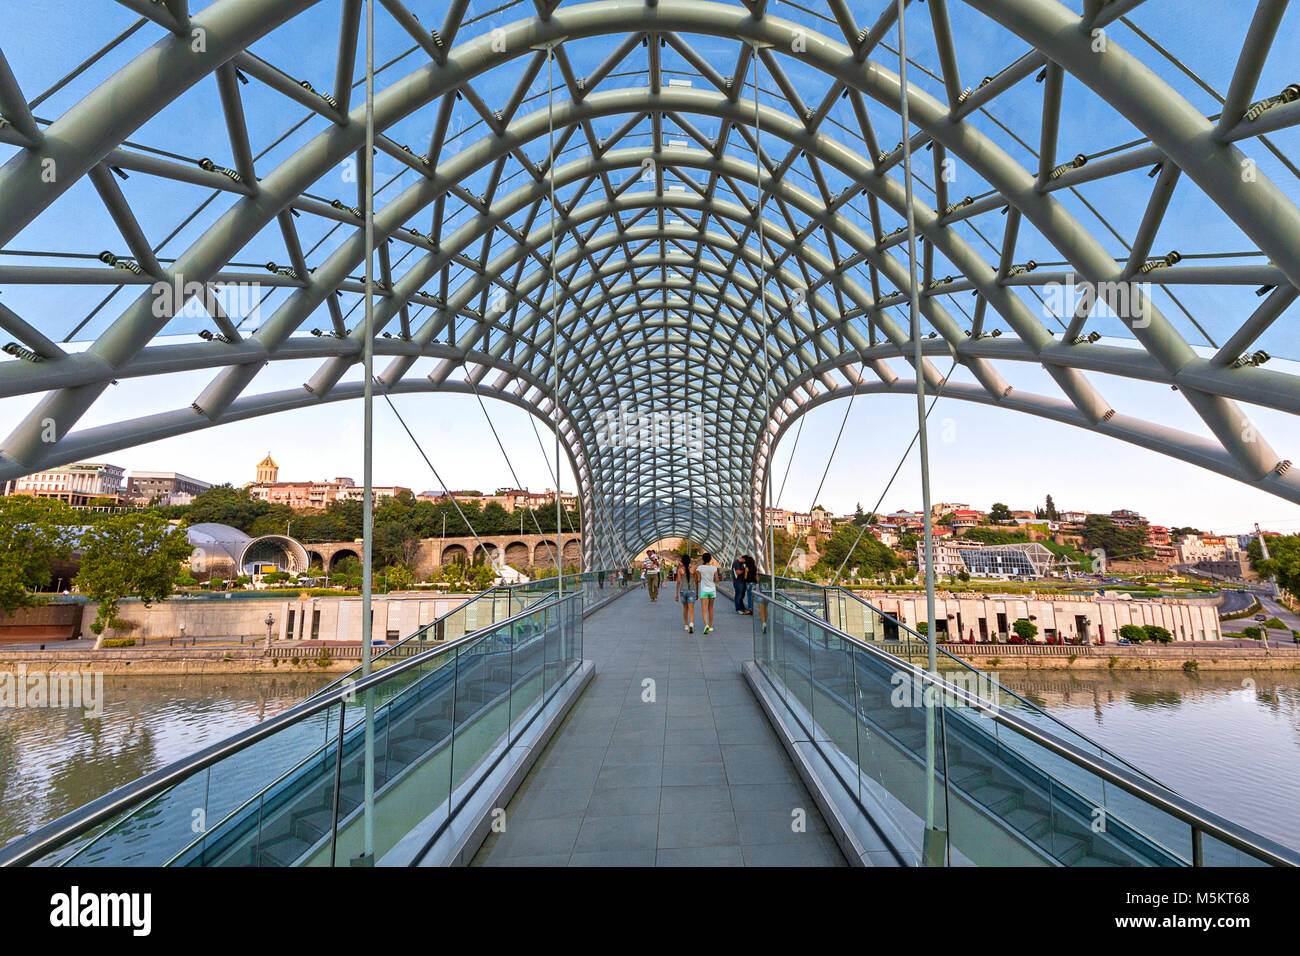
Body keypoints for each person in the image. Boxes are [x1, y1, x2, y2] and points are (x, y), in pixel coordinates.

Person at [697, 552, 718, 633]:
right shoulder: (714, 568)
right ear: (710, 559)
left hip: (704, 590)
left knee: (704, 610)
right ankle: (710, 626)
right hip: (712, 590)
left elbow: (698, 580)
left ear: (703, 559)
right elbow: (716, 580)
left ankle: (706, 625)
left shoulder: (700, 568)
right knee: (711, 608)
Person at [675, 553, 696, 634]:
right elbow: (697, 580)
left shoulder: (680, 570)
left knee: (685, 608)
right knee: (691, 609)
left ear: (682, 561)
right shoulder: (693, 569)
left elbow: (679, 582)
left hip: (683, 590)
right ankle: (691, 623)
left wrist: (676, 594)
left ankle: (686, 625)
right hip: (691, 590)